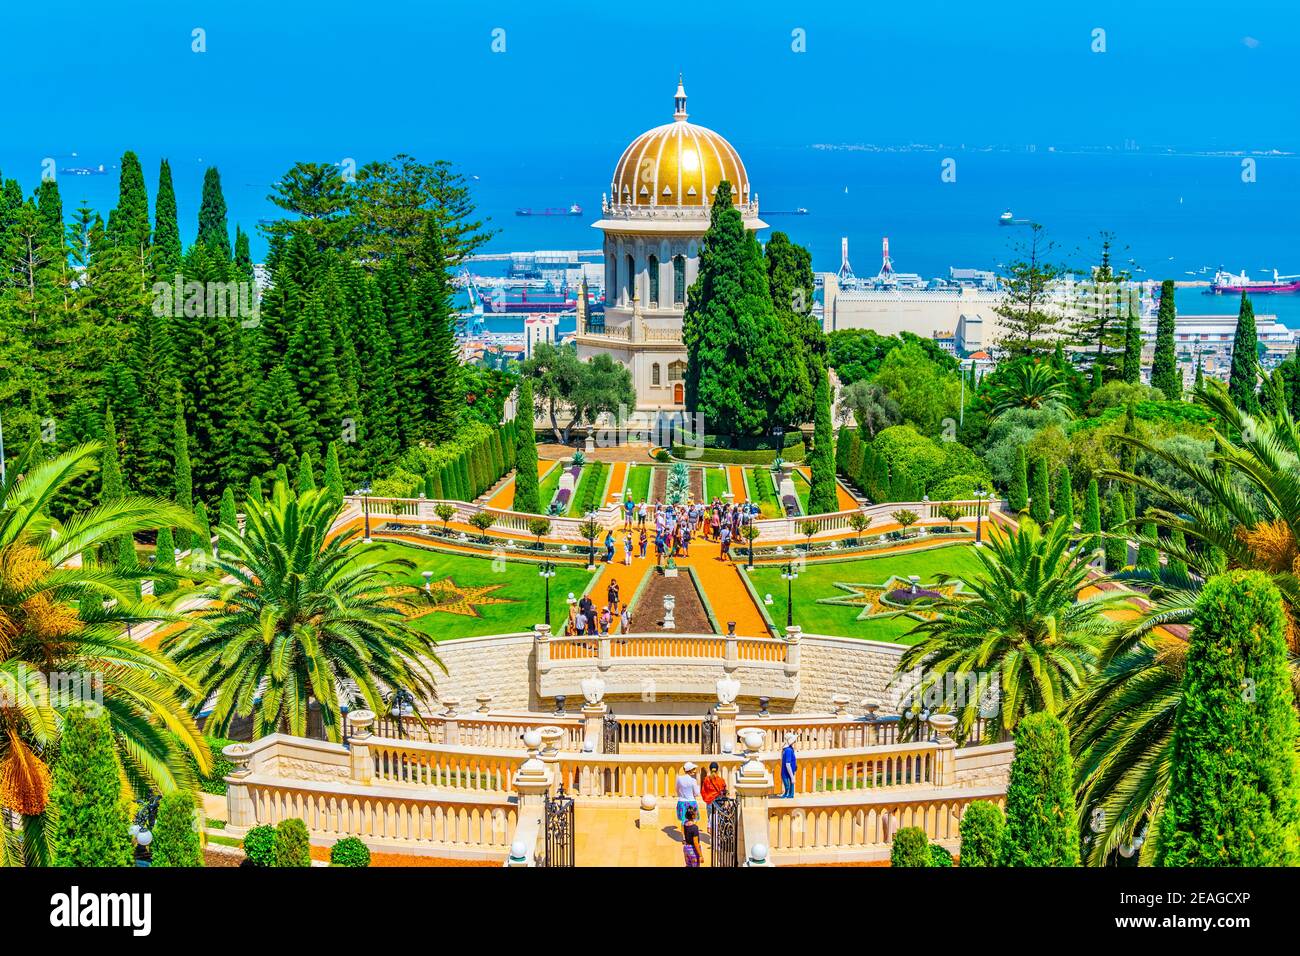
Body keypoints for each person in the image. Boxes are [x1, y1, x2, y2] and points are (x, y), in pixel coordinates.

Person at [700, 761, 727, 835]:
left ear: (710, 769)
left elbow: (703, 791)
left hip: (709, 802)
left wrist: (707, 800)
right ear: (717, 770)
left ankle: (712, 838)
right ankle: (717, 838)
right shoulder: (721, 780)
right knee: (718, 820)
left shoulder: (706, 779)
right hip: (718, 802)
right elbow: (724, 792)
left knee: (710, 820)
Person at [675, 761, 700, 827]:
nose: (695, 771)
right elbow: (697, 793)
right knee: (693, 820)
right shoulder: (693, 780)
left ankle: (684, 836)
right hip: (691, 802)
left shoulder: (679, 778)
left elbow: (677, 790)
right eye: (693, 769)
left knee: (683, 822)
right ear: (690, 770)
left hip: (681, 802)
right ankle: (691, 834)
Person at [780, 733, 797, 798]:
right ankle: (788, 795)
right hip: (787, 774)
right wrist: (792, 777)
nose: (795, 741)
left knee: (790, 787)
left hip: (789, 773)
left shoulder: (788, 749)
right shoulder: (788, 750)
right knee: (788, 786)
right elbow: (787, 764)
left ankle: (789, 794)